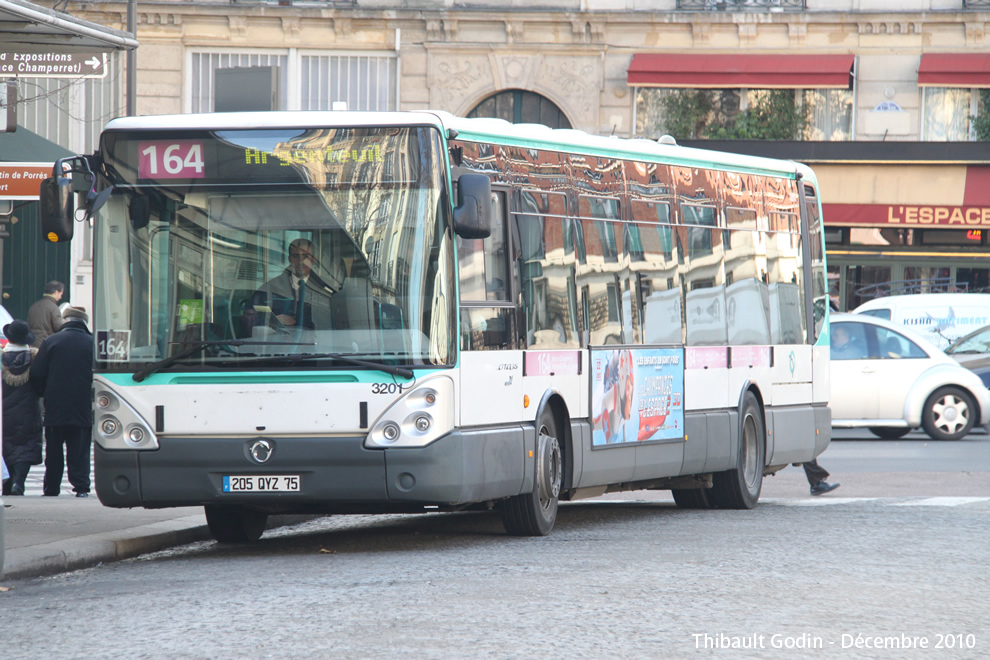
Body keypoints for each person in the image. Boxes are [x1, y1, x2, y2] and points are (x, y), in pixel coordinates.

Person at [30, 306, 94, 498]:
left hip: (55, 405)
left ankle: (52, 488)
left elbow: (37, 373)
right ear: (84, 322)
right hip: (82, 405)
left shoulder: (51, 341)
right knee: (80, 449)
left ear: (65, 321)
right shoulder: (91, 343)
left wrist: (44, 393)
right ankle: (81, 487)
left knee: (54, 450)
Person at [248, 238, 338, 332]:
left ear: (313, 259)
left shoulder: (327, 291)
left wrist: (296, 322)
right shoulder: (269, 289)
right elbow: (250, 320)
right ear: (289, 259)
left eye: (305, 256)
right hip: (278, 344)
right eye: (295, 256)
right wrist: (273, 323)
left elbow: (331, 326)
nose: (300, 261)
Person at [2, 320, 44, 496]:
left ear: (10, 339)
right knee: (25, 446)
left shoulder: (1, 358)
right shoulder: (35, 358)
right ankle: (19, 482)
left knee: (6, 446)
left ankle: (8, 481)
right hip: (28, 410)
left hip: (4, 412)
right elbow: (41, 384)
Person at [27, 280, 65, 348]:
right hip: (46, 344)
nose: (60, 297)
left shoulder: (33, 306)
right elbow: (58, 327)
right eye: (60, 294)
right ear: (56, 292)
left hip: (32, 344)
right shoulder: (54, 307)